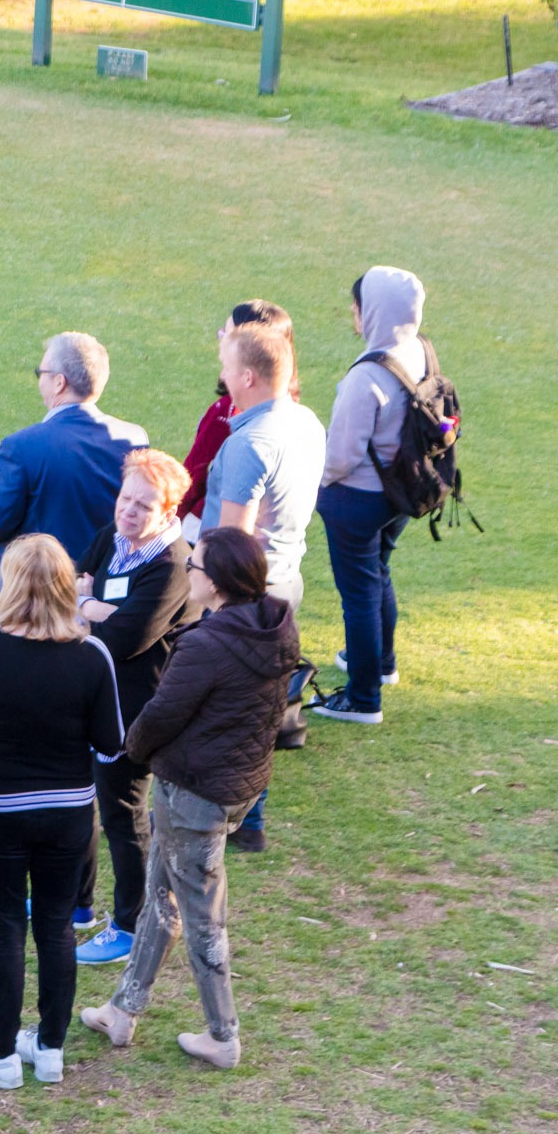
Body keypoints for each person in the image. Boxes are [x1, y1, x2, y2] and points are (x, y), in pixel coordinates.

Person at [81, 528, 298, 1070]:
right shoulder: (275, 624)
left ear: (216, 584)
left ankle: (223, 1036)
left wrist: (129, 747)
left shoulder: (206, 645)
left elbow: (161, 715)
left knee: (202, 915)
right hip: (235, 786)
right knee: (162, 894)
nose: (187, 572)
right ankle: (122, 1010)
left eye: (194, 566)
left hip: (196, 795)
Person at [0, 331, 145, 835]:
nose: (40, 381)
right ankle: (80, 798)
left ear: (59, 382)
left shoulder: (24, 445)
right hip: (91, 591)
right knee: (81, 694)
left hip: (25, 594)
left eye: (41, 372)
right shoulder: (131, 439)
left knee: (0, 694)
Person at [0, 536, 122, 1091]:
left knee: (4, 926)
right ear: (67, 587)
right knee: (55, 926)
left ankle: (1, 1054)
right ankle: (49, 1049)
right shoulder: (91, 655)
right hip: (68, 812)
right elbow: (111, 743)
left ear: (11, 584)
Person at [199, 313, 330, 848]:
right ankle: (248, 820)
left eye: (227, 366)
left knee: (229, 710)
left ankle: (238, 821)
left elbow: (233, 540)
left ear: (248, 376)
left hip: (243, 597)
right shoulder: (306, 422)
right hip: (285, 582)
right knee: (260, 708)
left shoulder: (250, 443)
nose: (222, 375)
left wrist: (202, 586)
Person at [70, 449, 198, 969]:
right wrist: (99, 607)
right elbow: (73, 578)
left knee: (124, 815)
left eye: (143, 506)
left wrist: (86, 606)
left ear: (168, 511)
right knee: (81, 800)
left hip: (136, 712)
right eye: (126, 498)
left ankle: (129, 923)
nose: (128, 511)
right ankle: (77, 904)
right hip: (93, 695)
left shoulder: (171, 566)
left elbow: (126, 639)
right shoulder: (113, 536)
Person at [310, 265, 432, 727]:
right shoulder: (420, 349)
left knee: (358, 593)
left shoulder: (368, 376)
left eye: (358, 305)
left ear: (373, 311)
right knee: (377, 573)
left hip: (358, 498)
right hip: (400, 493)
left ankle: (363, 698)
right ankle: (381, 663)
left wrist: (315, 480)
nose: (353, 312)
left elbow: (340, 457)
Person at [178, 301, 292, 524]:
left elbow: (193, 475)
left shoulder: (227, 416)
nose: (222, 341)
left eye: (228, 335)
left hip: (208, 526)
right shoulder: (300, 418)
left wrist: (171, 517)